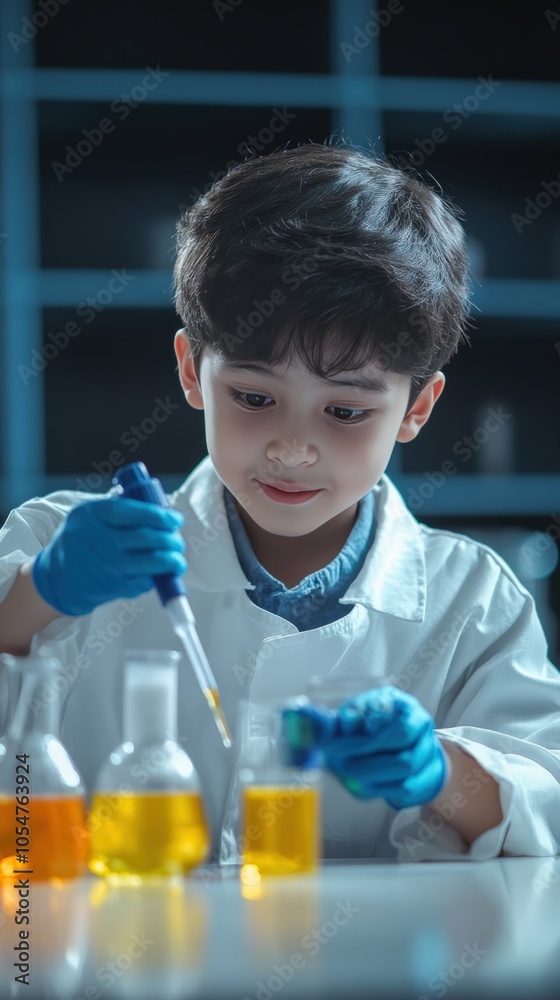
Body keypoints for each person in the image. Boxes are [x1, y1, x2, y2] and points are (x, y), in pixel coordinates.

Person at [1, 141, 559, 864]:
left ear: (418, 408)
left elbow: (546, 794)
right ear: (192, 370)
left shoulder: (476, 602)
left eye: (346, 413)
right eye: (255, 398)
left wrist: (442, 775)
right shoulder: (56, 544)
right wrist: (37, 598)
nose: (292, 449)